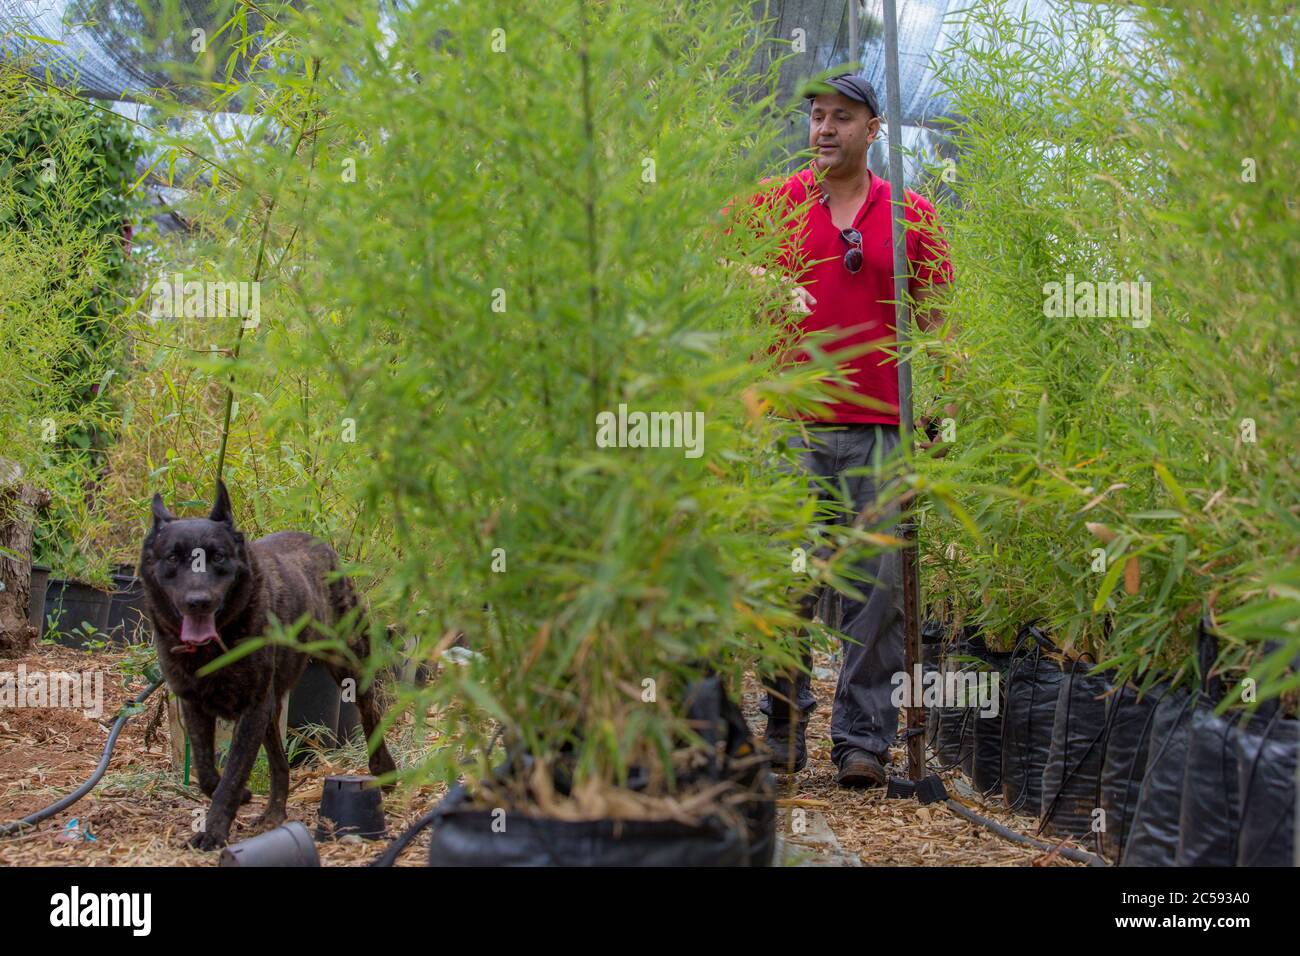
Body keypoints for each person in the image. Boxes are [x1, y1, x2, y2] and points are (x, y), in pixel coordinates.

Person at [754, 73, 954, 788]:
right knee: (785, 585)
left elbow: (939, 321)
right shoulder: (772, 207)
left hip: (882, 429)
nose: (825, 128)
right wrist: (756, 280)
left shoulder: (909, 213)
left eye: (842, 117)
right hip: (790, 427)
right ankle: (782, 731)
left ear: (874, 130)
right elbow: (703, 262)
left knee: (878, 591)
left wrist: (948, 405)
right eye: (816, 116)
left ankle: (862, 741)